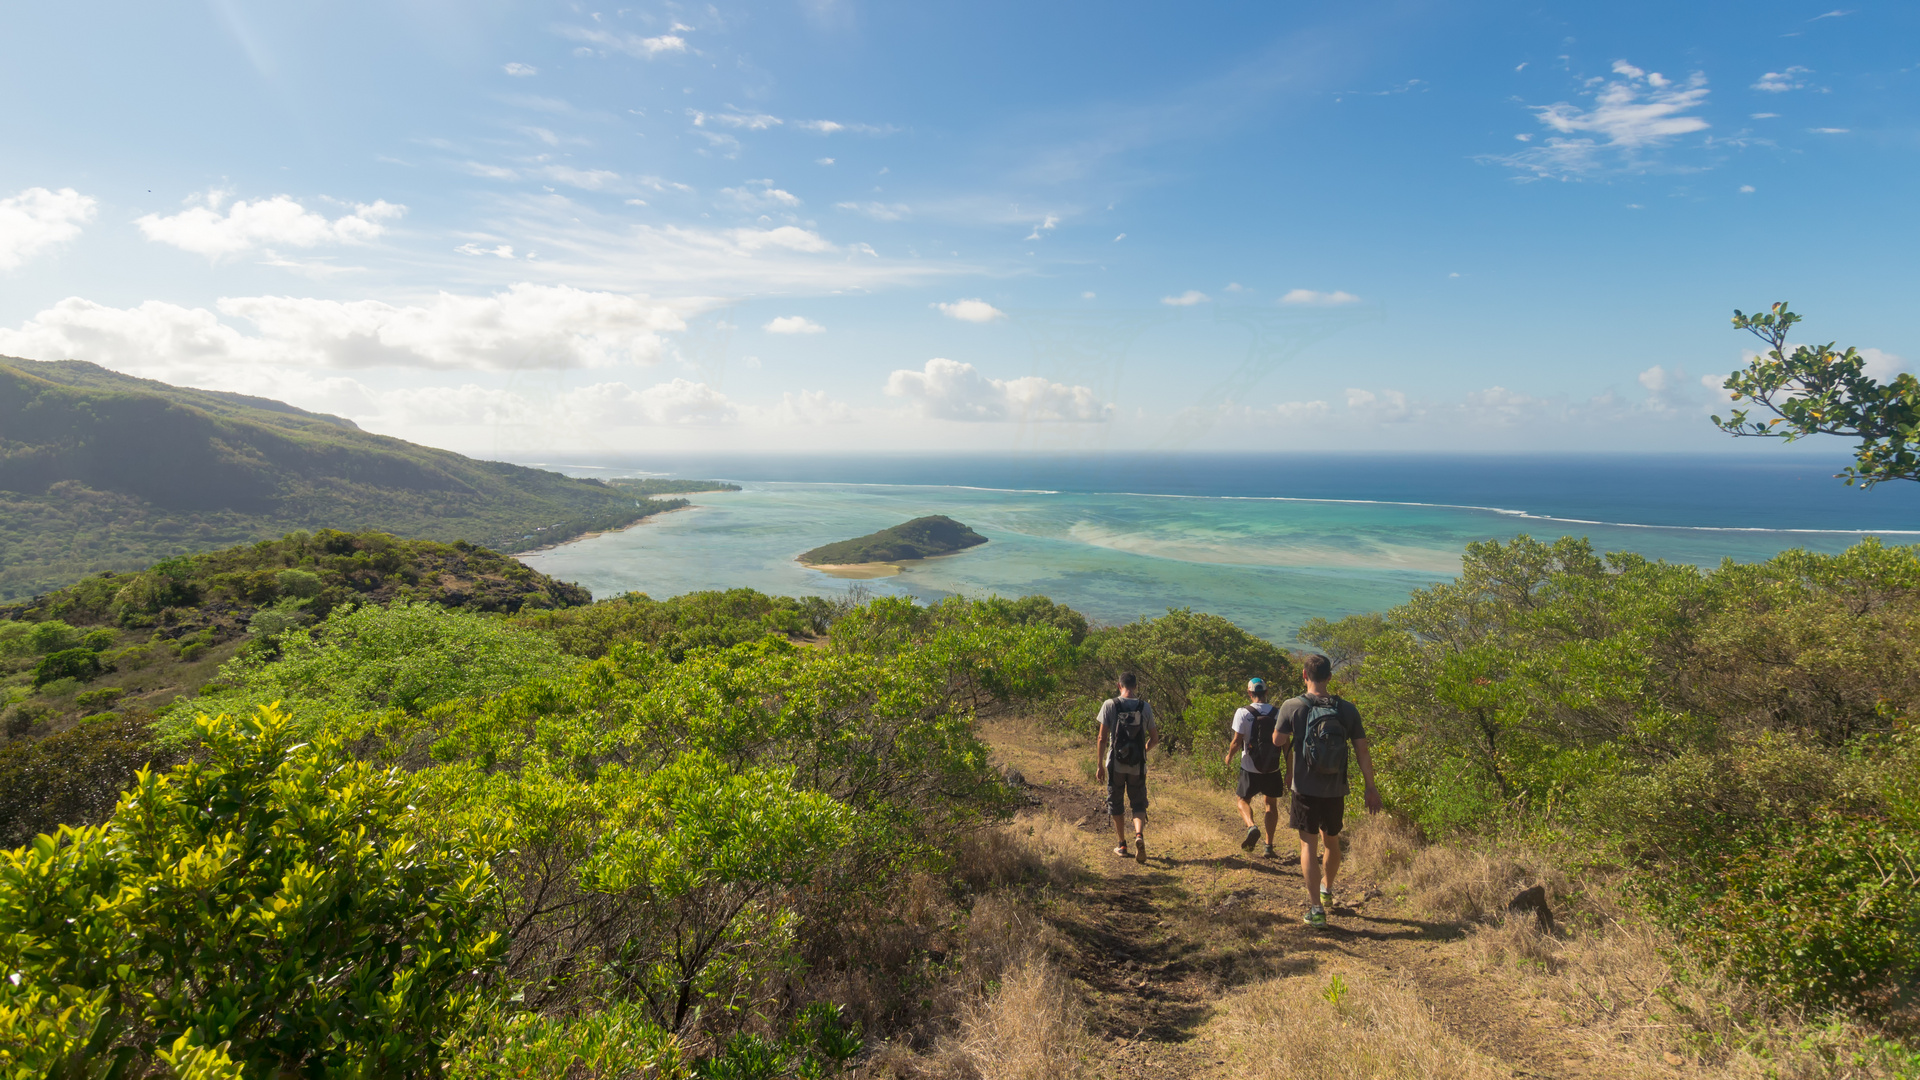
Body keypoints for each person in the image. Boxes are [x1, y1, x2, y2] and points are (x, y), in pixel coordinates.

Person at [1274, 653, 1381, 927]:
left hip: (1305, 789)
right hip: (1336, 788)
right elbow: (1362, 749)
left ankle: (1315, 909)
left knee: (1308, 844)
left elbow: (1278, 741)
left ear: (1304, 675)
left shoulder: (1292, 705)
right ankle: (1327, 889)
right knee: (1331, 841)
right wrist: (1371, 787)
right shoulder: (1346, 709)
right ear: (1330, 677)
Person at [1094, 672, 1157, 864]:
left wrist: (1099, 765)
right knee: (1138, 803)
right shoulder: (1144, 707)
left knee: (1116, 802)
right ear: (1136, 686)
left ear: (1118, 685)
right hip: (1138, 766)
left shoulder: (1110, 704)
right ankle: (1138, 835)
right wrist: (1143, 751)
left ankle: (1121, 844)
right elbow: (1155, 739)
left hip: (1116, 764)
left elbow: (1102, 738)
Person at [1223, 676, 1286, 857]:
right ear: (1266, 692)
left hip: (1249, 767)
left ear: (1249, 693)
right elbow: (1286, 744)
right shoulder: (1278, 713)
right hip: (1272, 767)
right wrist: (1289, 769)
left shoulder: (1243, 712)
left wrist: (1229, 756)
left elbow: (1237, 741)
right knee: (1270, 804)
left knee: (1242, 800)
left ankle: (1251, 826)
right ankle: (1269, 846)